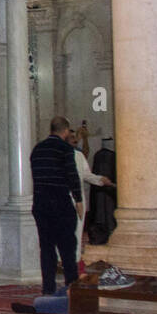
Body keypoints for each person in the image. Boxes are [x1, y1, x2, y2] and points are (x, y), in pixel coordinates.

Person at [29, 116, 83, 296]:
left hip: (41, 204)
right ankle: (72, 288)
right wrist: (79, 200)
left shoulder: (37, 149)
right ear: (66, 131)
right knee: (68, 247)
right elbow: (72, 175)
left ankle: (48, 289)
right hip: (60, 204)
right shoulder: (65, 149)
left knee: (47, 248)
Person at [68, 127, 112, 275]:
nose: (75, 140)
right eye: (72, 137)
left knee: (76, 233)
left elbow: (86, 174)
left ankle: (75, 266)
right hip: (62, 201)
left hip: (77, 201)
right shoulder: (58, 155)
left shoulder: (78, 156)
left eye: (76, 137)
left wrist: (100, 180)